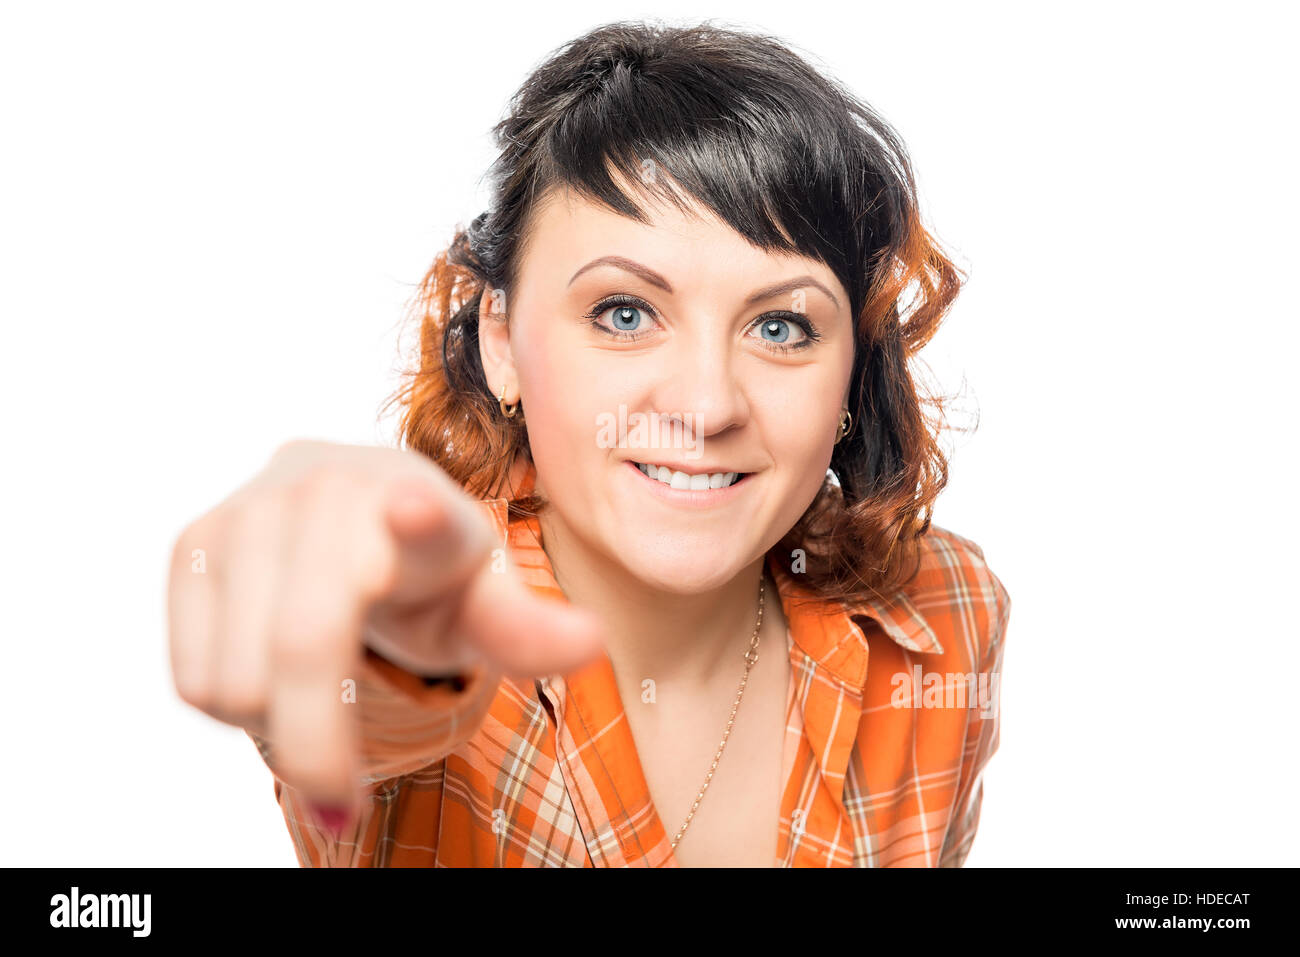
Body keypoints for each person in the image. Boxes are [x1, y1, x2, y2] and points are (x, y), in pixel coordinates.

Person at [167, 19, 1011, 867]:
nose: (706, 404)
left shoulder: (948, 615)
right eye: (625, 313)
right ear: (501, 340)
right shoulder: (439, 625)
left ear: (850, 377)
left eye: (782, 326)